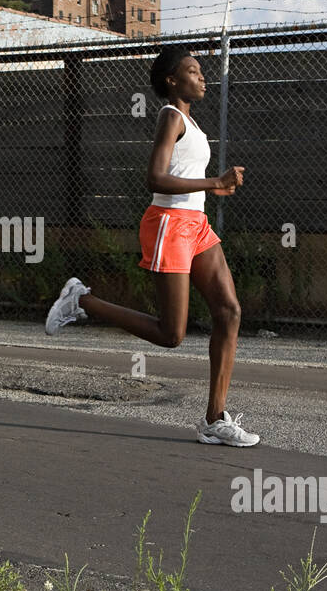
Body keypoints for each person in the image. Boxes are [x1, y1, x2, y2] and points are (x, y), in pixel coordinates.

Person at [45, 44, 260, 446]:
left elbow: (183, 174)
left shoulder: (191, 125)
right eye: (193, 72)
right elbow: (156, 179)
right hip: (169, 226)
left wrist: (213, 189)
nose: (202, 77)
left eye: (201, 71)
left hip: (195, 224)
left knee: (229, 312)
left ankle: (215, 418)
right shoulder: (170, 116)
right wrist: (214, 182)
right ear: (171, 81)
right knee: (171, 334)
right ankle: (81, 300)